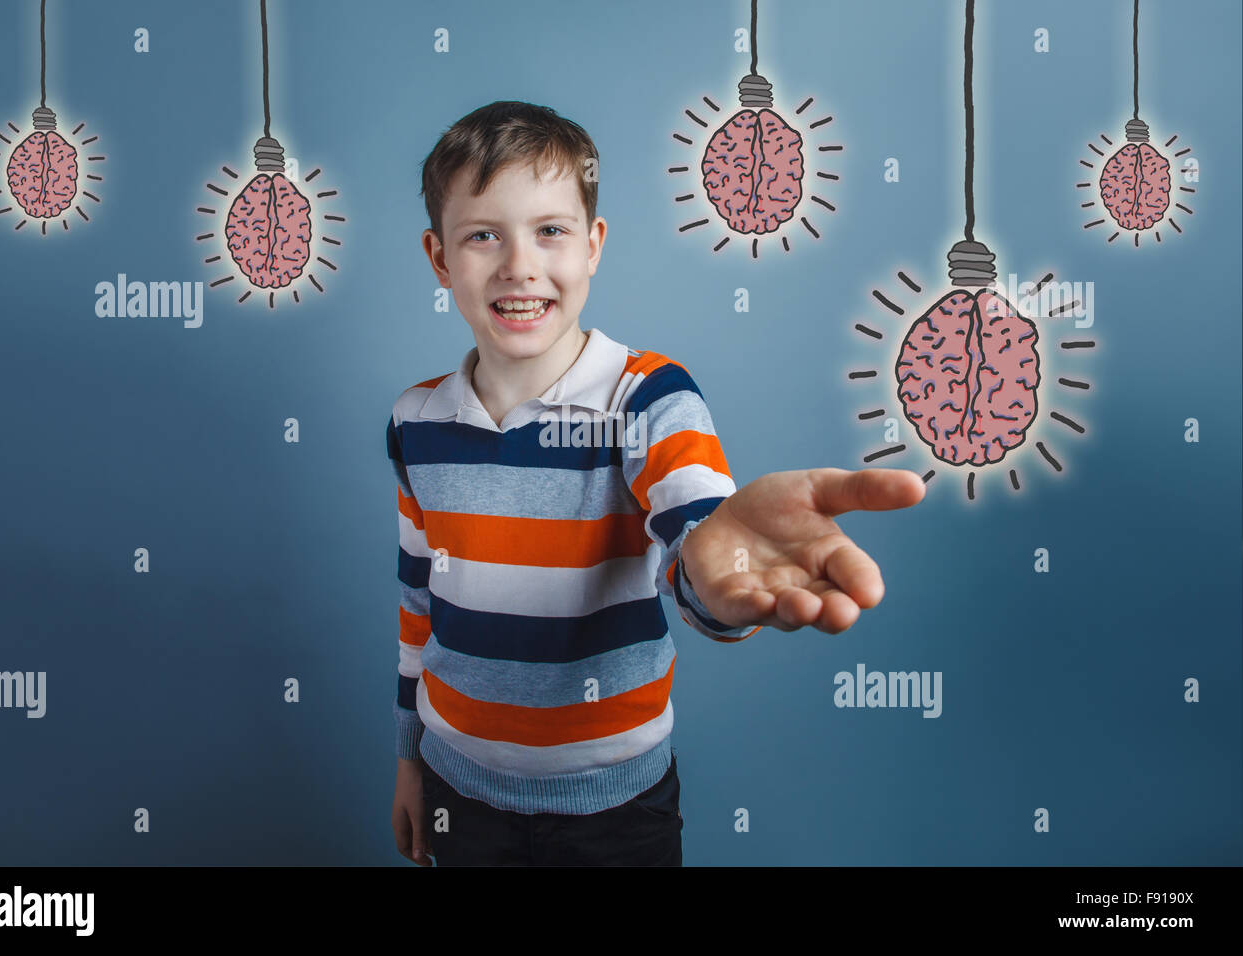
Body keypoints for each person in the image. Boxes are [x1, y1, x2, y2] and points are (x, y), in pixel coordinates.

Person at [388, 101, 925, 867]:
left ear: (593, 244)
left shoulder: (648, 396)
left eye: (550, 230)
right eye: (483, 235)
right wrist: (409, 758)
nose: (519, 264)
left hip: (615, 812)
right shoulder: (415, 421)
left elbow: (697, 535)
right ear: (440, 259)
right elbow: (417, 602)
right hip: (456, 793)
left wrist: (720, 565)